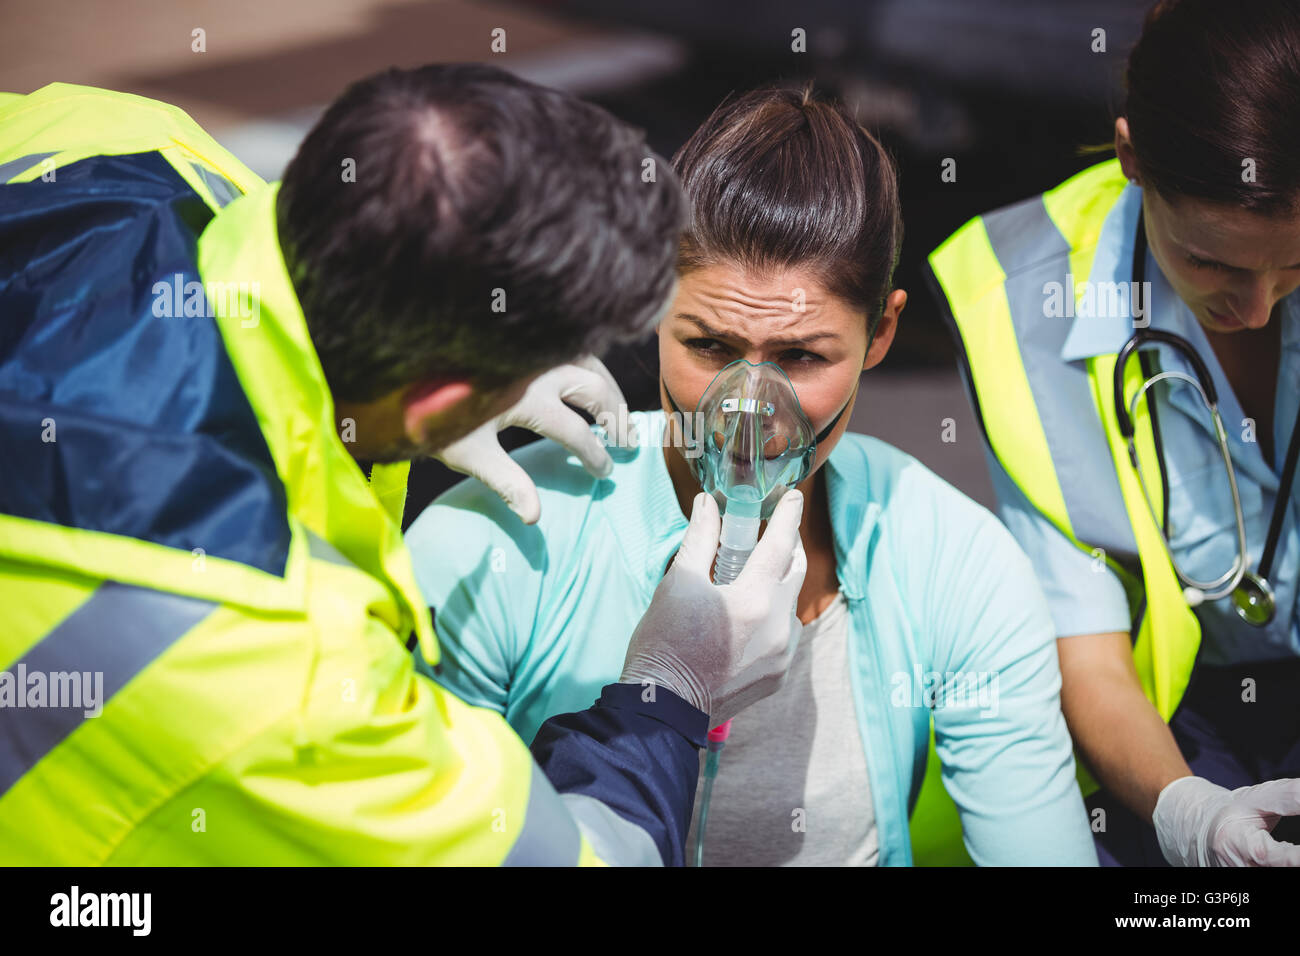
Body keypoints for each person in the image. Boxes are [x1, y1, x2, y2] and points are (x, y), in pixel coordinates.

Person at [0, 66, 808, 866]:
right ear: (437, 397)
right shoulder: (290, 668)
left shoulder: (121, 138)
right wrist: (667, 697)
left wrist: (389, 411)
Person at [407, 86, 1099, 866]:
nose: (747, 410)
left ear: (883, 333)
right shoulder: (502, 542)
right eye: (708, 346)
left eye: (802, 357)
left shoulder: (953, 558)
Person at [929, 0, 1300, 867]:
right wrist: (1189, 815)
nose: (1254, 309)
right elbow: (1087, 655)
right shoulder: (1016, 297)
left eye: (1295, 266)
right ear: (1132, 156)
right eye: (1211, 260)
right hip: (1168, 701)